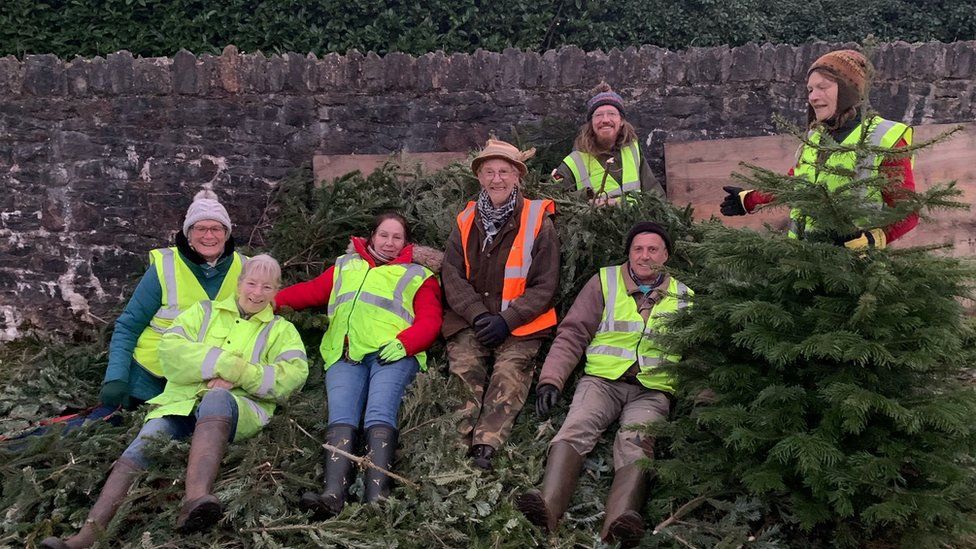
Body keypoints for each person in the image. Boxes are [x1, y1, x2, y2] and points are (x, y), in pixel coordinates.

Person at [39, 255, 309, 549]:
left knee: (218, 397)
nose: (257, 293)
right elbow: (171, 350)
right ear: (239, 283)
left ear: (276, 290)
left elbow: (292, 377)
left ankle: (195, 500)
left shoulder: (282, 331)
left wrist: (244, 374)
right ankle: (85, 538)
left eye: (267, 287)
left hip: (237, 409)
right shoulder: (203, 312)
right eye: (252, 283)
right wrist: (222, 364)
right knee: (146, 440)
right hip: (180, 403)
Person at [517, 222, 691, 548]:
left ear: (666, 255)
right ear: (629, 252)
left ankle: (618, 526)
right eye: (638, 249)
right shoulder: (604, 282)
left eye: (653, 249)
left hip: (652, 390)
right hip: (602, 382)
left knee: (637, 443)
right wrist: (551, 379)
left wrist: (704, 403)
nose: (644, 255)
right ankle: (547, 509)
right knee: (576, 426)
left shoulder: (684, 297)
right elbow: (573, 333)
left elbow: (698, 355)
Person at [280, 212, 443, 518]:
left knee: (379, 412)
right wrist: (266, 300)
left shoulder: (418, 275)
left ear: (406, 242)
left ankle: (376, 496)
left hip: (391, 356)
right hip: (346, 353)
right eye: (384, 235)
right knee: (341, 416)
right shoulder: (345, 266)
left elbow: (431, 320)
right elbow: (309, 292)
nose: (390, 243)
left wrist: (406, 344)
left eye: (397, 237)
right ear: (371, 236)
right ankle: (333, 495)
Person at [720, 49, 918, 249]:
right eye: (810, 90)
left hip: (855, 272)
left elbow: (907, 212)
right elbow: (796, 184)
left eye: (823, 87)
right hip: (801, 266)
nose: (813, 97)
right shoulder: (816, 137)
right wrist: (749, 199)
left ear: (849, 89)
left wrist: (868, 240)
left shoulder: (884, 138)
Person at [442, 138, 560, 470]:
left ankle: (486, 446)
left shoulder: (539, 220)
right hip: (473, 321)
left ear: (517, 177)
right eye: (489, 172)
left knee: (509, 376)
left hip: (519, 325)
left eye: (504, 172)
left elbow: (544, 284)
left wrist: (508, 320)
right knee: (464, 371)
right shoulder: (465, 220)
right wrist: (478, 315)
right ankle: (455, 446)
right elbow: (452, 274)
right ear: (479, 178)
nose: (497, 179)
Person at [101, 188, 245, 410]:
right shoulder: (165, 266)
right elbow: (129, 326)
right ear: (188, 234)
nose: (209, 236)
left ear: (227, 234)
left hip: (211, 382)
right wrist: (116, 378)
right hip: (152, 380)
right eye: (200, 228)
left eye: (216, 228)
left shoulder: (246, 269)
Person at [551, 82, 665, 203]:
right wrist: (587, 197)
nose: (605, 120)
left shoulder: (633, 150)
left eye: (611, 114)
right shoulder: (574, 161)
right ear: (591, 123)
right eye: (598, 115)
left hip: (637, 220)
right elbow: (554, 197)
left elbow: (655, 194)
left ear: (621, 121)